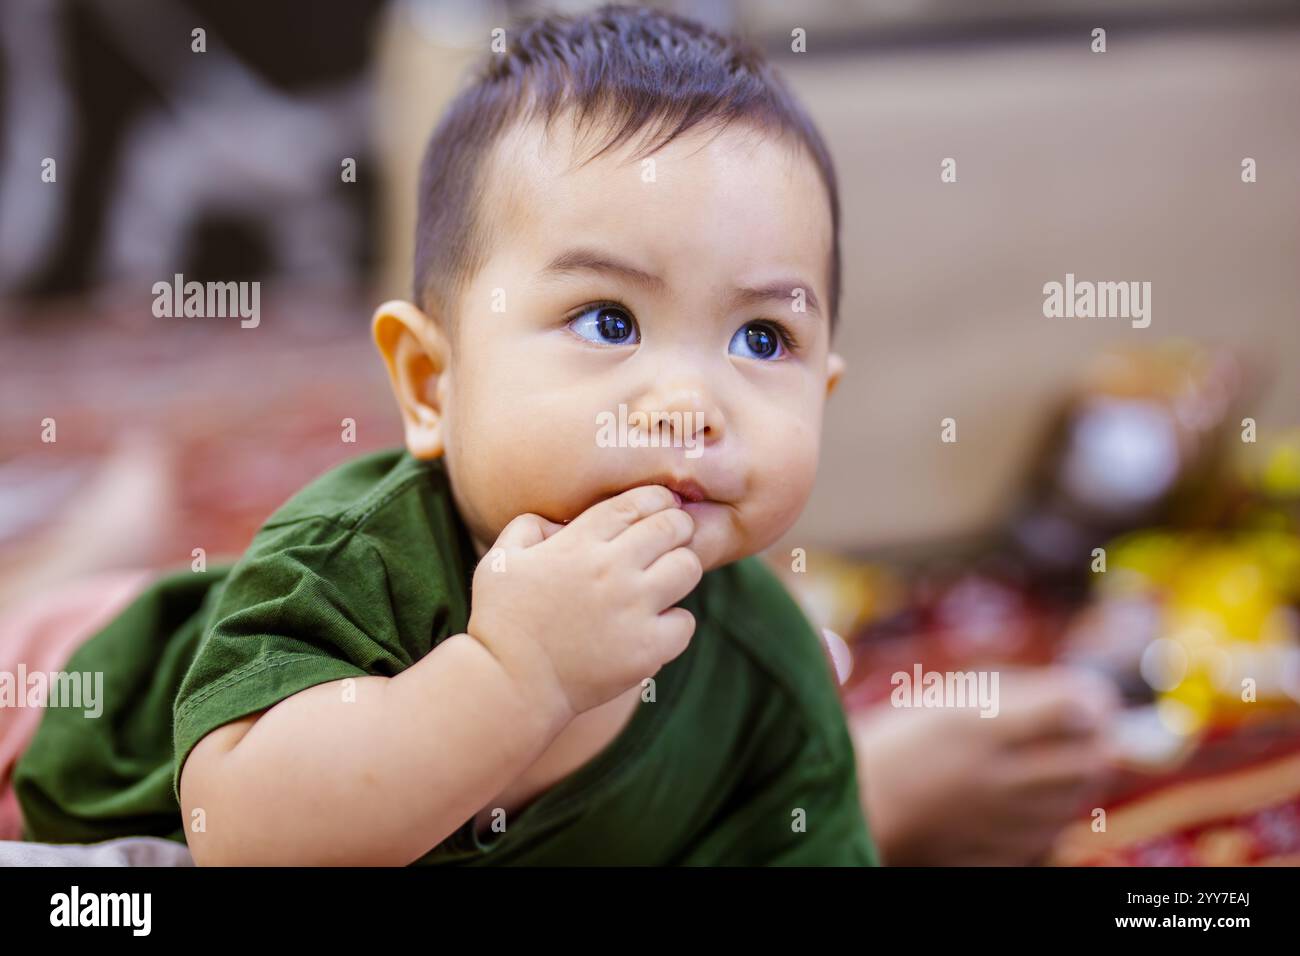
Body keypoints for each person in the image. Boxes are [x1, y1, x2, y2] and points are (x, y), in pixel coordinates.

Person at [13, 4, 876, 866]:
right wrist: (513, 678)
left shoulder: (772, 681)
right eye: (609, 321)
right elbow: (236, 838)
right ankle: (74, 559)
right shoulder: (354, 558)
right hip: (59, 711)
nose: (692, 403)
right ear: (432, 384)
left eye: (763, 338)